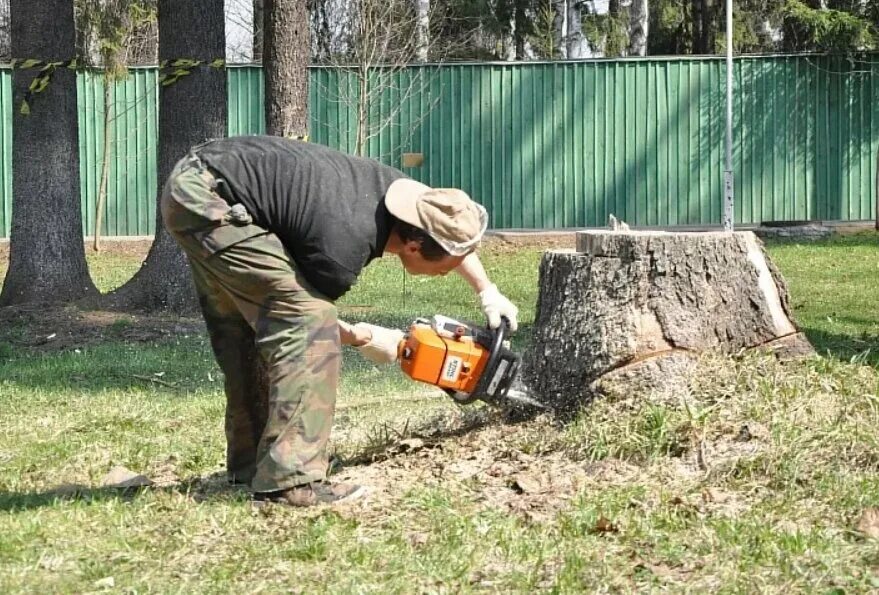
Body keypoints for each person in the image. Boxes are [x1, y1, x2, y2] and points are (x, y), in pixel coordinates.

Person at [160, 135, 518, 507]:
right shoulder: (341, 248)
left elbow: (451, 227)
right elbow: (304, 325)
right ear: (413, 246)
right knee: (307, 325)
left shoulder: (406, 198)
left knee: (245, 329)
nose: (450, 271)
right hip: (208, 200)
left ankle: (252, 466)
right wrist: (368, 337)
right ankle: (289, 481)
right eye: (450, 263)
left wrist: (487, 291)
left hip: (204, 180)